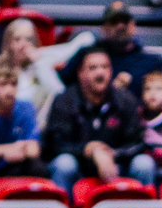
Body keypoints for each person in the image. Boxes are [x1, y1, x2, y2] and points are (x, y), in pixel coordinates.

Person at [42, 49, 152, 195]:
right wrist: (89, 150)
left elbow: (138, 142)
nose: (100, 73)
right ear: (80, 73)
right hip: (78, 166)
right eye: (93, 68)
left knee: (144, 164)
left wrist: (112, 154)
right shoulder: (64, 101)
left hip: (116, 165)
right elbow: (54, 144)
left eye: (105, 67)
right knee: (64, 164)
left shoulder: (126, 100)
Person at [0, 16, 75, 131]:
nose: (23, 45)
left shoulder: (41, 68)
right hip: (1, 128)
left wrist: (40, 64)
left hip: (36, 131)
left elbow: (61, 97)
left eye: (29, 39)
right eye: (17, 39)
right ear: (8, 43)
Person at [65, 3, 162, 94]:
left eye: (125, 21)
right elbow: (63, 85)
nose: (120, 26)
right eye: (114, 22)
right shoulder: (87, 57)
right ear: (104, 28)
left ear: (133, 25)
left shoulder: (151, 63)